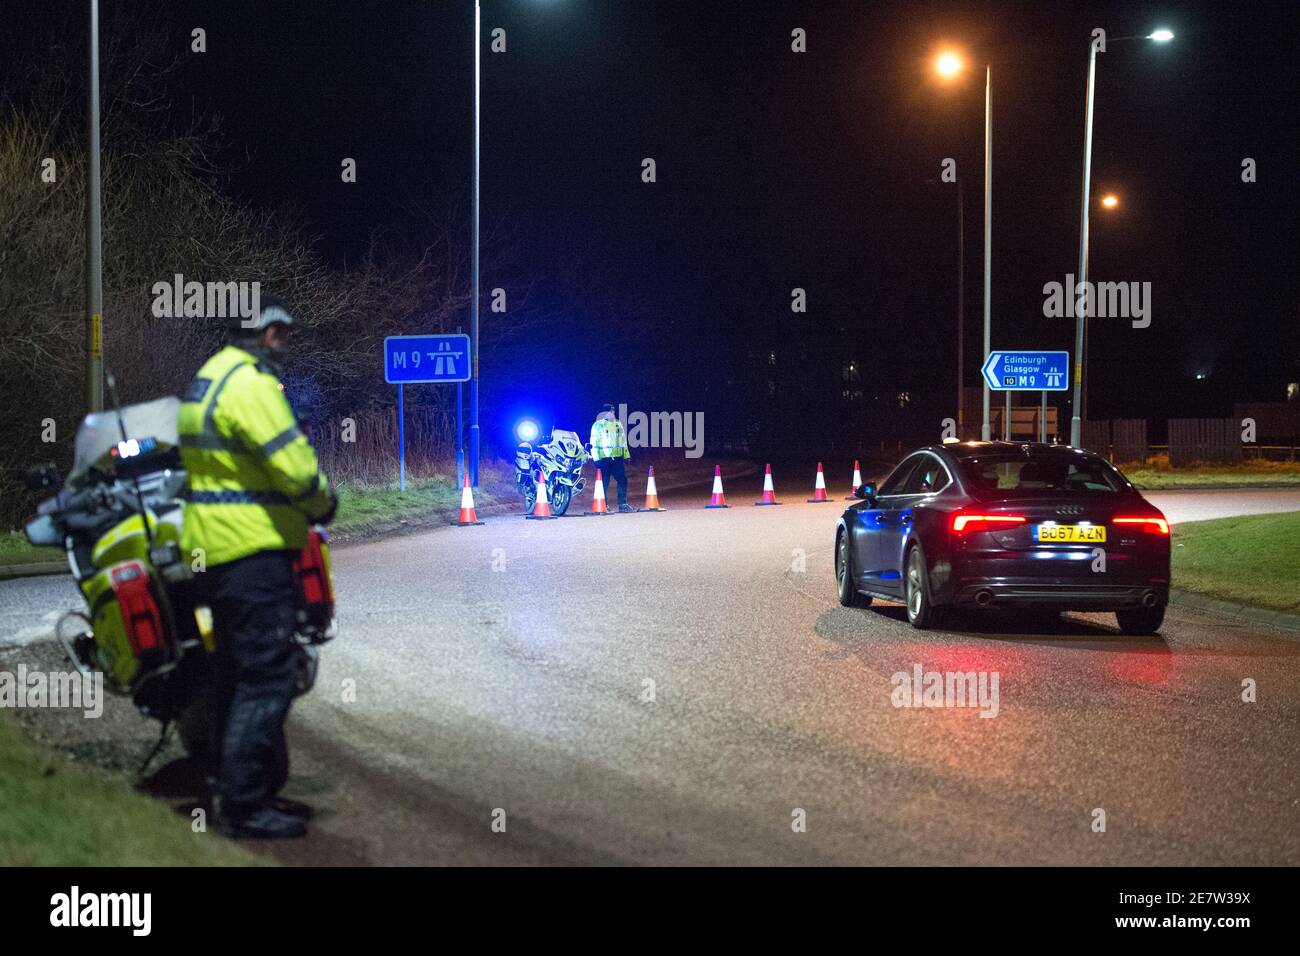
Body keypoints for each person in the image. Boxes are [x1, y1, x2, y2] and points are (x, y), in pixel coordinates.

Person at [178, 295, 336, 839]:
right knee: (266, 677)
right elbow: (294, 467)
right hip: (253, 551)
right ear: (267, 333)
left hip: (214, 551)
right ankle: (244, 807)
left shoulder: (208, 377)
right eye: (281, 335)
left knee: (231, 673)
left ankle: (237, 789)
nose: (283, 345)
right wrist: (323, 503)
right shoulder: (251, 385)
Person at [589, 403, 633, 512]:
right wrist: (596, 459)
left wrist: (626, 455)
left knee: (622, 480)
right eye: (611, 411)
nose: (613, 413)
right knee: (604, 482)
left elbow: (623, 442)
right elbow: (594, 443)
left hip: (617, 458)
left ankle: (623, 504)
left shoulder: (618, 424)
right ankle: (604, 505)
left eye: (613, 411)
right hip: (604, 459)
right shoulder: (598, 425)